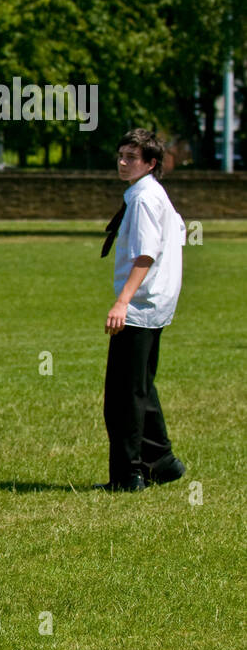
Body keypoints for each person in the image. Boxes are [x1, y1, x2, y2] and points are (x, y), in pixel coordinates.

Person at [98, 129, 186, 492]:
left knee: (122, 396)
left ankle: (128, 475)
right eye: (121, 155)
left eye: (131, 157)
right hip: (155, 304)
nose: (123, 162)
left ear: (151, 163)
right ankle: (162, 462)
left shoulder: (146, 199)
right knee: (140, 389)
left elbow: (146, 253)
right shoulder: (152, 195)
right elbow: (178, 231)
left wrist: (123, 302)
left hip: (140, 307)